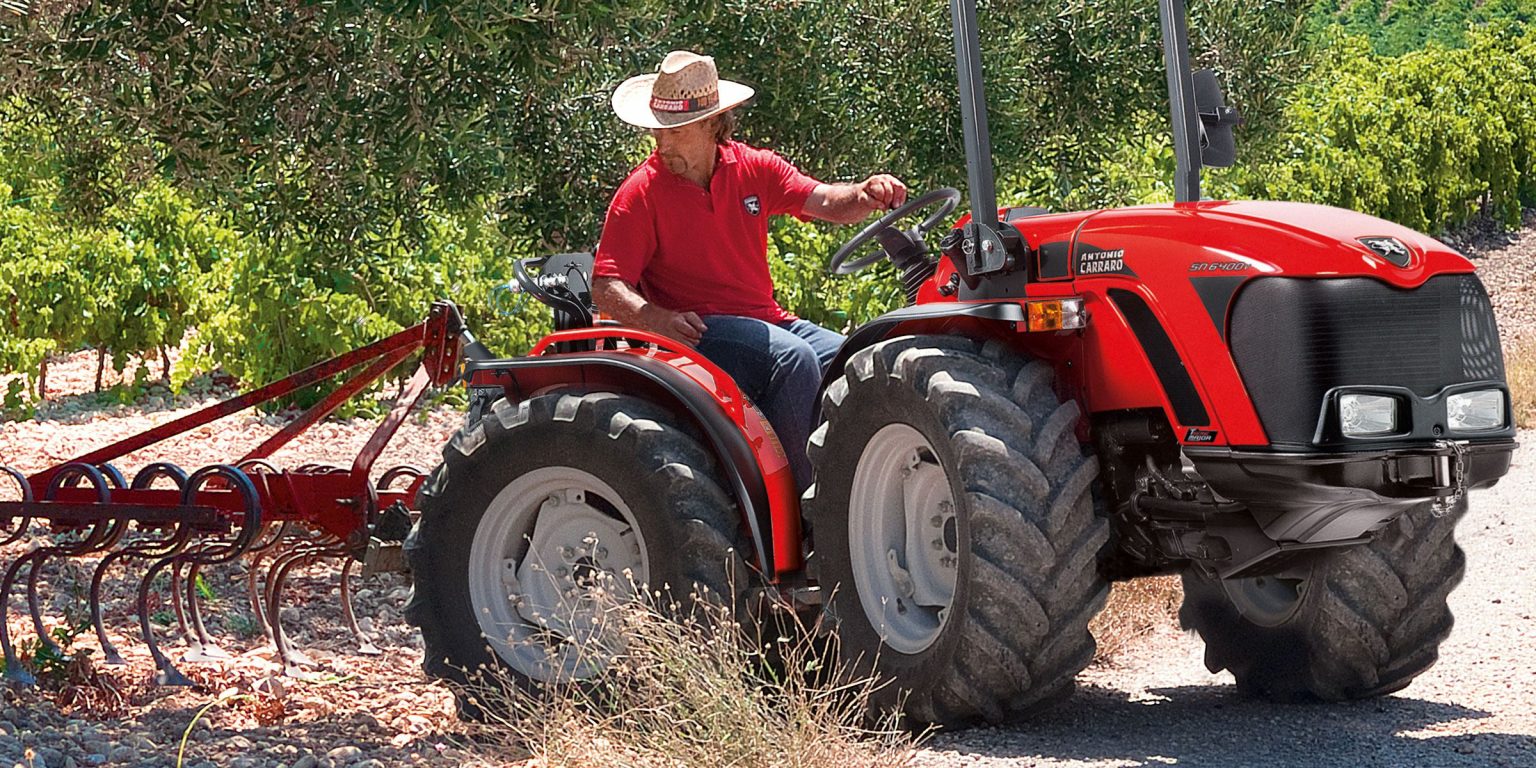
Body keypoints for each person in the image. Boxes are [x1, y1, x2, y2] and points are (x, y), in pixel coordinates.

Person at [592, 50, 907, 491]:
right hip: (694, 333)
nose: (661, 143)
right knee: (791, 359)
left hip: (763, 320)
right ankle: (809, 508)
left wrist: (865, 192)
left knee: (853, 356)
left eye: (674, 131)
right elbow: (606, 285)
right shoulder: (640, 194)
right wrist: (655, 318)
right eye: (656, 131)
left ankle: (864, 493)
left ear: (710, 124)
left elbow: (822, 200)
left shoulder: (753, 167)